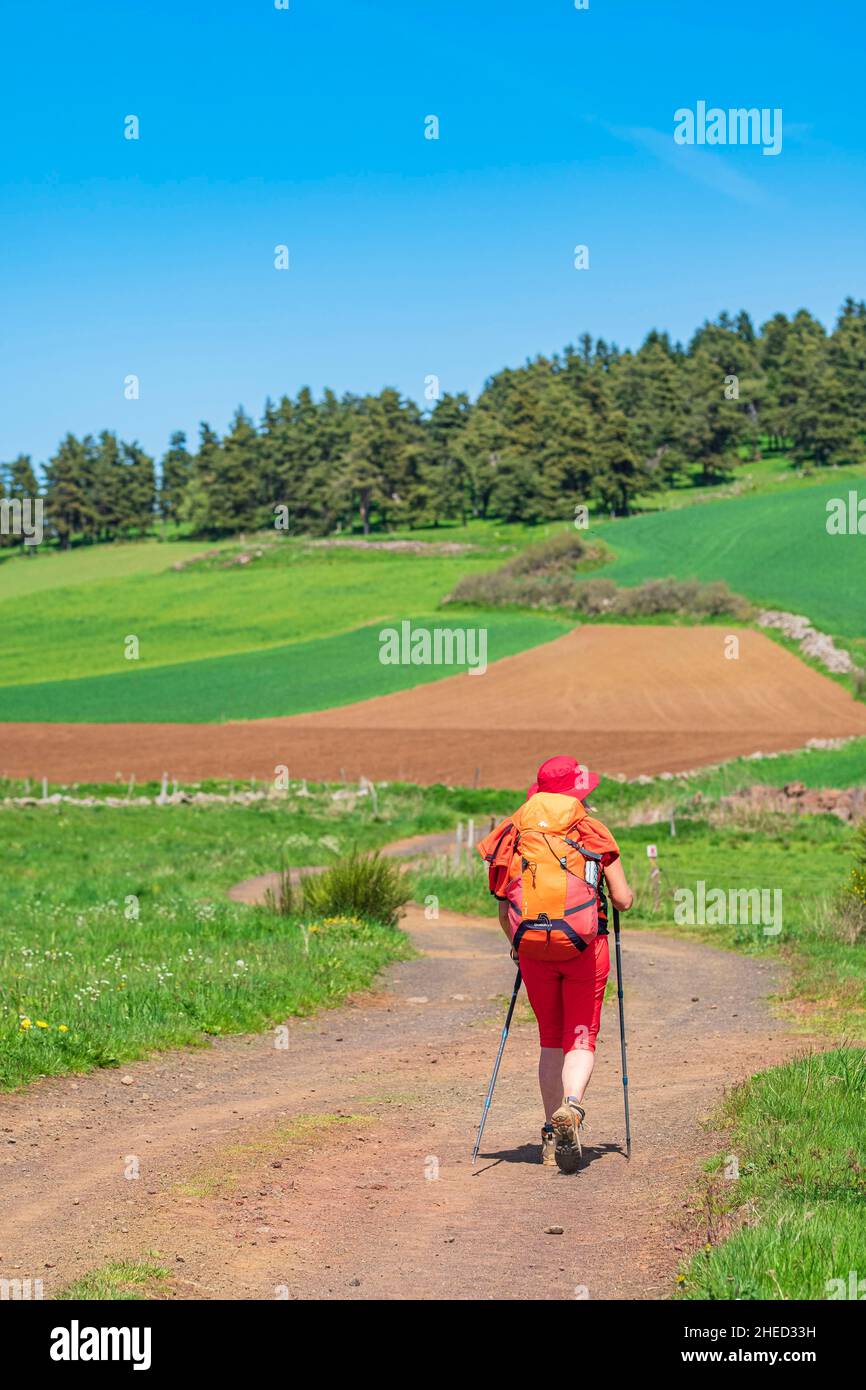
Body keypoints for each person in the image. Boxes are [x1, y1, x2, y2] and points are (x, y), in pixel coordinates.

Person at [478, 755, 633, 1165]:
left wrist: (518, 944)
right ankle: (573, 1107)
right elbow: (623, 899)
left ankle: (550, 1133)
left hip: (531, 948)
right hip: (585, 948)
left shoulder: (513, 832)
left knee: (550, 1039)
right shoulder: (590, 830)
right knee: (580, 1036)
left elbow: (501, 904)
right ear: (577, 792)